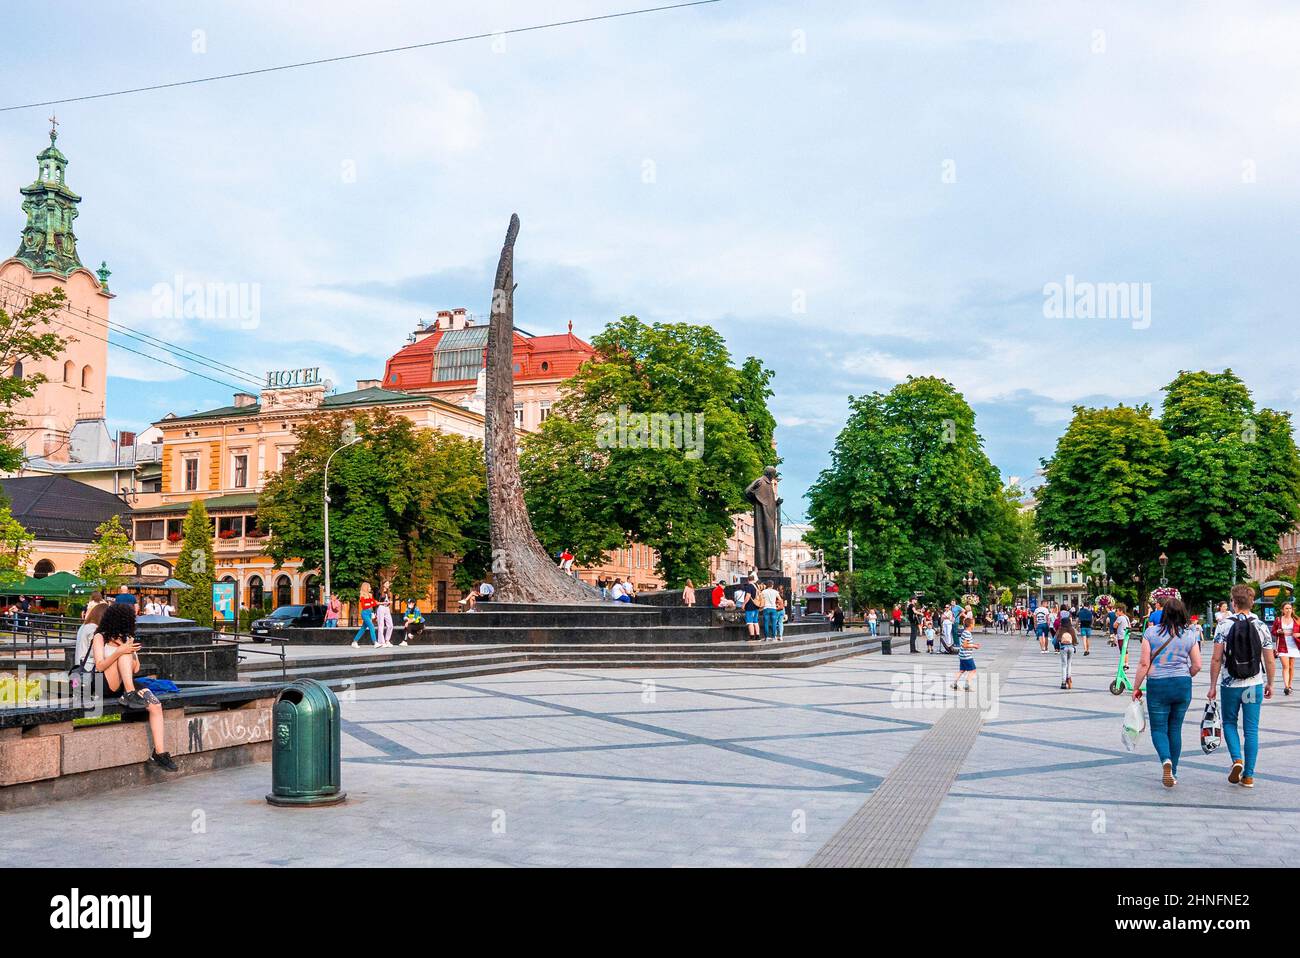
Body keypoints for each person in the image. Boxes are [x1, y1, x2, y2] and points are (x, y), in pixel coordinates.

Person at [92, 603, 178, 772]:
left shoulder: (126, 638)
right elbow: (99, 666)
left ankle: (159, 753)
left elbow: (136, 669)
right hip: (105, 684)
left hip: (126, 683)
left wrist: (130, 650)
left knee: (155, 704)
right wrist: (119, 651)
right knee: (123, 654)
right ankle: (130, 693)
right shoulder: (99, 637)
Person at [1131, 597, 1201, 788]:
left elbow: (1144, 663)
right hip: (1182, 685)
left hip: (1158, 685)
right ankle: (1174, 771)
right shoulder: (1190, 634)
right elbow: (1197, 664)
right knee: (1175, 729)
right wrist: (1186, 675)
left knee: (1159, 729)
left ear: (1163, 613)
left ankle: (1165, 760)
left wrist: (1136, 687)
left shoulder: (1151, 633)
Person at [1210, 584, 1276, 788]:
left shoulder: (1223, 625)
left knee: (1229, 723)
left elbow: (1216, 659)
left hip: (1230, 685)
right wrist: (1271, 683)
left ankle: (1236, 759)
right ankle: (1248, 776)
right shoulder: (1261, 626)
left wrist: (1212, 685)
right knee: (1251, 730)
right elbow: (1270, 660)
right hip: (1253, 685)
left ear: (1234, 602)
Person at [1271, 600, 1297, 696]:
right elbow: (1273, 631)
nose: (1288, 610)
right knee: (1285, 666)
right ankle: (1286, 687)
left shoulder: (1296, 620)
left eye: (1290, 608)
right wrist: (1277, 631)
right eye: (1286, 608)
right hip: (1282, 645)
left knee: (1291, 666)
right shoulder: (1278, 620)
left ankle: (1290, 685)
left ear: (1292, 609)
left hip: (1294, 645)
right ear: (1282, 610)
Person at [951, 614, 980, 691]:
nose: (974, 625)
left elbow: (965, 644)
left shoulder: (965, 632)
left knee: (962, 670)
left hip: (962, 655)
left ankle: (954, 684)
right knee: (973, 670)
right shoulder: (967, 633)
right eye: (973, 624)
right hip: (966, 656)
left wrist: (973, 645)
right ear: (970, 625)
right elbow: (965, 645)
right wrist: (974, 646)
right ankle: (967, 686)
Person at [351, 581, 379, 648]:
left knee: (363, 628)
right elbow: (364, 605)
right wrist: (371, 603)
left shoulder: (370, 595)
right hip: (365, 613)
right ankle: (375, 642)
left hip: (369, 613)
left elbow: (374, 603)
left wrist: (374, 603)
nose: (370, 588)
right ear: (366, 587)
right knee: (371, 626)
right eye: (369, 587)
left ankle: (354, 642)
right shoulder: (362, 596)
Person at [1057, 617, 1078, 689]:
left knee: (1064, 665)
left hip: (1063, 648)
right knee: (1069, 664)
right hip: (1071, 648)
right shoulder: (1072, 630)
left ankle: (1063, 683)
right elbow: (1076, 641)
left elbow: (1054, 641)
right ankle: (1068, 678)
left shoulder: (1060, 630)